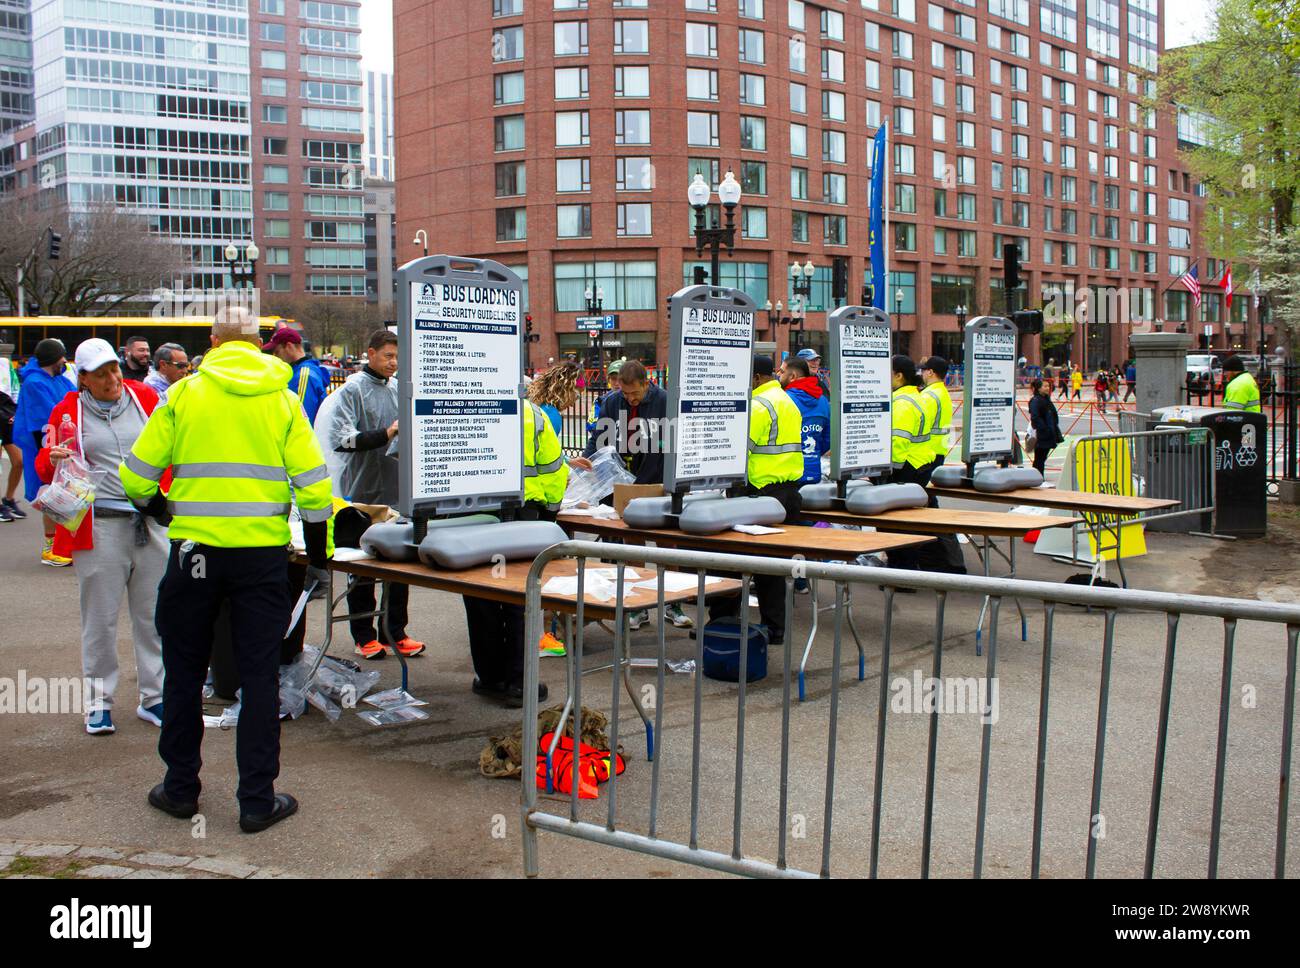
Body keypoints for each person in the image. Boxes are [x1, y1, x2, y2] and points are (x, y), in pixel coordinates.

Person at [121, 305, 335, 834]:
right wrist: (317, 551)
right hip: (261, 558)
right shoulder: (284, 401)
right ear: (259, 342)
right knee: (259, 676)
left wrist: (160, 508)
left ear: (213, 341)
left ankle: (179, 788)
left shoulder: (183, 395)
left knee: (185, 670)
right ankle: (257, 800)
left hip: (193, 553)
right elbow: (313, 485)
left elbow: (136, 476)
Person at [36, 339, 169, 735]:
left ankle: (155, 695)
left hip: (149, 521)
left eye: (113, 368)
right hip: (99, 525)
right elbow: (45, 464)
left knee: (153, 615)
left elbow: (169, 448)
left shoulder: (144, 396)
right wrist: (53, 457)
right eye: (101, 374)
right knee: (100, 618)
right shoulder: (67, 410)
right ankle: (99, 702)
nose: (112, 379)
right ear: (84, 379)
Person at [327, 329, 426, 660]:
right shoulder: (351, 390)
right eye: (387, 356)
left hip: (397, 491)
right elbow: (342, 439)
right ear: (370, 353)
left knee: (399, 566)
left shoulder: (399, 388)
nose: (393, 362)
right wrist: (386, 433)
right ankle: (364, 634)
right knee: (364, 565)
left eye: (397, 357)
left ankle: (395, 630)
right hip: (363, 490)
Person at [463, 395, 566, 707]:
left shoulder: (462, 405)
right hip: (524, 517)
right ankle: (521, 682)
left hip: (472, 516)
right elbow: (554, 469)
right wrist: (548, 517)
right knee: (520, 597)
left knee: (480, 595)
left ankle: (491, 677)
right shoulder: (533, 412)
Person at [707, 356, 804, 642]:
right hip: (786, 493)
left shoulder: (759, 406)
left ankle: (723, 623)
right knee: (771, 568)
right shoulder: (786, 401)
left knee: (729, 559)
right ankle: (774, 628)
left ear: (756, 378)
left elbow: (736, 450)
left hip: (758, 494)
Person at [14, 339, 76, 564]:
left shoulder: (59, 380)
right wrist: (47, 458)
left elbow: (75, 402)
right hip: (45, 446)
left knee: (65, 496)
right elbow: (43, 420)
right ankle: (52, 546)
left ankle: (63, 544)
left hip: (64, 445)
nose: (65, 361)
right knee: (49, 495)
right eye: (62, 356)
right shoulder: (34, 382)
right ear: (54, 358)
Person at [917, 356, 966, 574]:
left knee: (926, 505)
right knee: (929, 503)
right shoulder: (942, 393)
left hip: (927, 453)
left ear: (931, 372)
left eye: (924, 370)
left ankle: (944, 558)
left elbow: (919, 422)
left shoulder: (929, 395)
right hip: (938, 452)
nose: (921, 373)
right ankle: (946, 557)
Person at [886, 356, 933, 574]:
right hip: (921, 463)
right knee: (910, 522)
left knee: (897, 524)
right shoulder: (918, 397)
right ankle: (908, 570)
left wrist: (889, 474)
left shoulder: (902, 404)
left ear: (899, 375)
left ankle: (901, 573)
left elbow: (899, 441)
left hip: (906, 468)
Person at [526, 360, 593, 471]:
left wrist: (568, 460)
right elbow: (547, 457)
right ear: (566, 390)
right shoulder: (552, 414)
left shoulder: (537, 406)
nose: (572, 405)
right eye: (576, 397)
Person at [264, 327, 328, 425]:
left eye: (277, 352)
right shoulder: (304, 371)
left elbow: (301, 420)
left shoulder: (303, 375)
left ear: (289, 346)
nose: (275, 357)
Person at [0, 357, 24, 523]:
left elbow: (15, 389)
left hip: (5, 416)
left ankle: (8, 499)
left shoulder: (5, 363)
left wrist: (15, 414)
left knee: (19, 461)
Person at [1027, 378, 1064, 478]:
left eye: (1048, 386)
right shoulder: (1035, 400)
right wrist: (1044, 428)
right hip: (1042, 434)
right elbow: (1035, 417)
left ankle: (1038, 477)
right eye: (1045, 386)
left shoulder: (1046, 399)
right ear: (1038, 388)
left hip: (1049, 432)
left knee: (1042, 458)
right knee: (1039, 458)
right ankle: (1037, 478)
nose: (1048, 388)